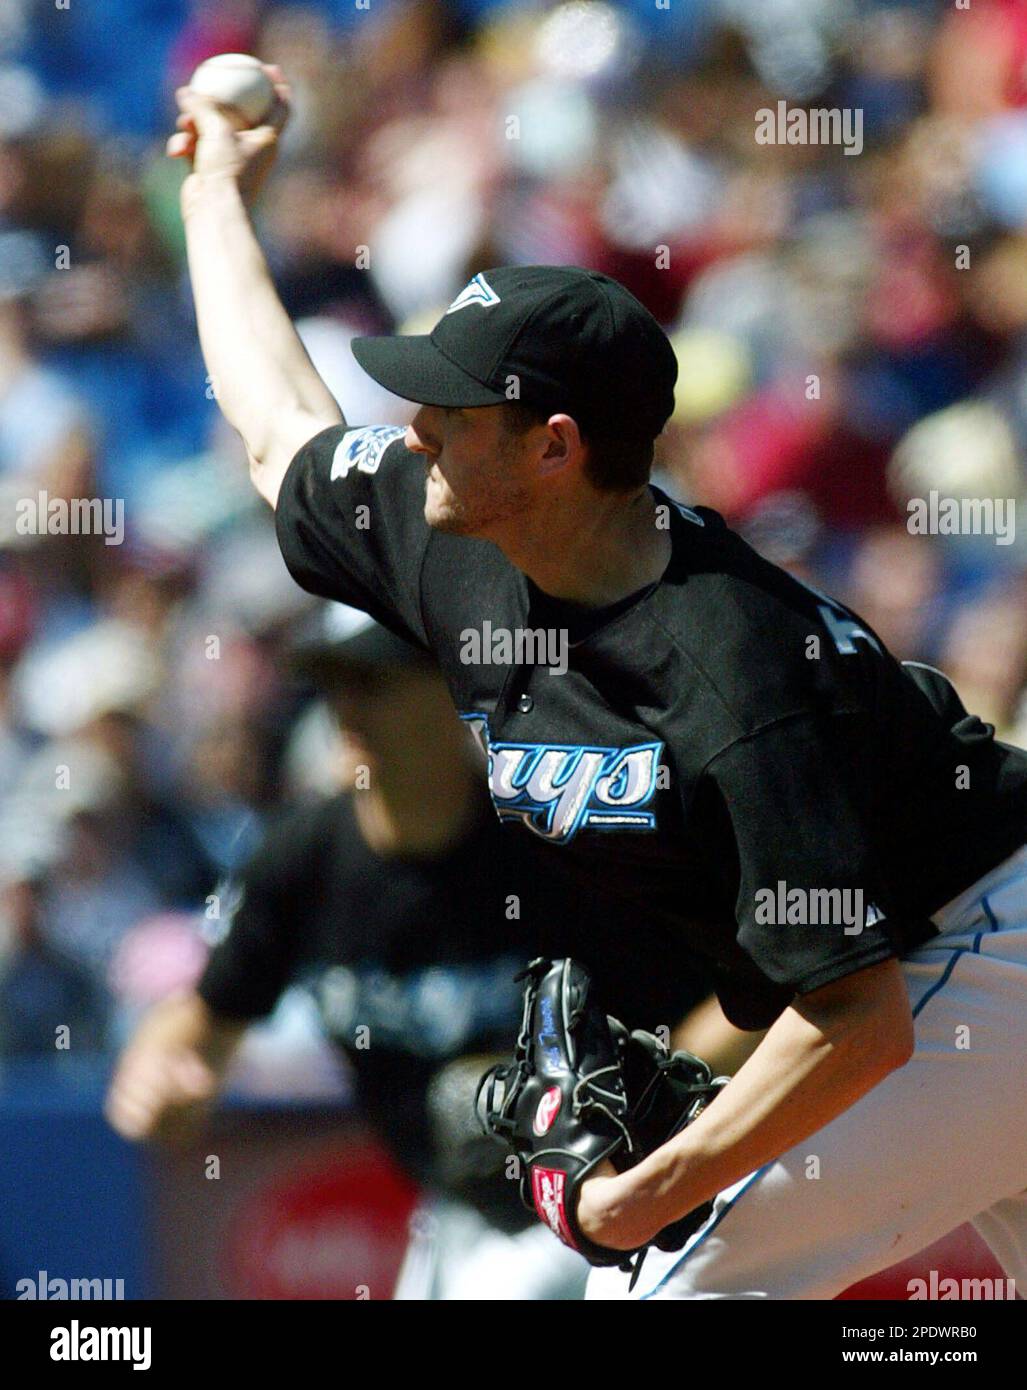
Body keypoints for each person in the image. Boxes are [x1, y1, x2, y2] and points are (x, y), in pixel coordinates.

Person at [165, 70, 1027, 1300]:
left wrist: (647, 1193)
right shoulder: (454, 532)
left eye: (451, 408)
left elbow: (857, 1018)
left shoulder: (734, 663)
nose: (413, 430)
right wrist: (212, 186)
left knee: (672, 1283)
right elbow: (273, 427)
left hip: (983, 949)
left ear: (552, 448)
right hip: (941, 969)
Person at [105, 604, 713, 1299]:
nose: (347, 707)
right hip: (455, 1212)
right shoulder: (303, 858)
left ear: (455, 687)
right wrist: (158, 1070)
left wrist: (600, 1102)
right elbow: (205, 1019)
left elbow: (726, 1017)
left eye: (374, 679)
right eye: (334, 682)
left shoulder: (554, 849)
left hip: (604, 1211)